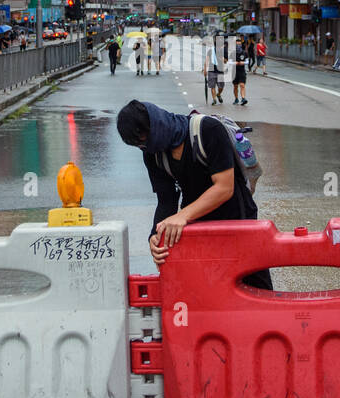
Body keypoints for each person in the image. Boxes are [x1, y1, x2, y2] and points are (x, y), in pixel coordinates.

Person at [115, 99, 271, 290]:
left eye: (144, 139)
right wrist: (155, 236)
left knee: (257, 290)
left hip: (237, 219)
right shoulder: (153, 153)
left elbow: (224, 187)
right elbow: (166, 201)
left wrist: (182, 216)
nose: (144, 146)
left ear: (155, 124)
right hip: (198, 227)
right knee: (212, 292)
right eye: (138, 145)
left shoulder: (208, 129)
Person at [206, 37, 225, 104]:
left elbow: (225, 61)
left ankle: (218, 94)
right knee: (212, 86)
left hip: (220, 71)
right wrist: (205, 69)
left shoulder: (223, 51)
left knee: (221, 86)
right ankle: (214, 99)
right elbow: (207, 60)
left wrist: (221, 58)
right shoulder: (210, 51)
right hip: (211, 71)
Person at [231, 39, 249, 105]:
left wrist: (243, 62)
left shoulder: (244, 53)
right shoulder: (232, 53)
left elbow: (247, 61)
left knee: (242, 85)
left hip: (242, 71)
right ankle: (236, 99)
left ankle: (243, 98)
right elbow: (229, 62)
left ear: (241, 45)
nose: (238, 46)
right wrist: (234, 62)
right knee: (235, 86)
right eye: (237, 44)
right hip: (234, 71)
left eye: (239, 44)